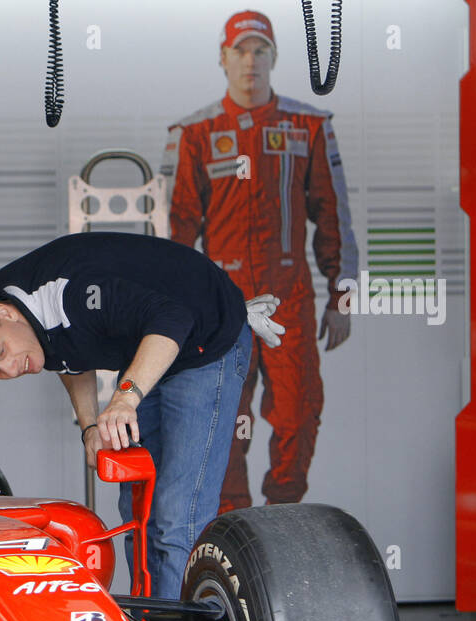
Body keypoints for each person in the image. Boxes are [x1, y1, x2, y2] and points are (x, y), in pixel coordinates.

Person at [0, 232, 282, 621]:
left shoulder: (68, 294)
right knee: (138, 514)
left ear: (3, 314)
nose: (11, 369)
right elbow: (64, 356)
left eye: (5, 353)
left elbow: (173, 317)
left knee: (175, 521)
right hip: (150, 346)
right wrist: (90, 424)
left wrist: (125, 398)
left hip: (202, 335)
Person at [162, 10, 358, 512]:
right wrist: (174, 313)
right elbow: (177, 233)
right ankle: (234, 526)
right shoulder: (195, 132)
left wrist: (344, 295)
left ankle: (284, 517)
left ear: (274, 58)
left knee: (298, 412)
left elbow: (333, 215)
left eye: (260, 50)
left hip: (289, 294)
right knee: (224, 417)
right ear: (223, 59)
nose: (250, 61)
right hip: (223, 302)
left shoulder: (308, 125)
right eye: (240, 51)